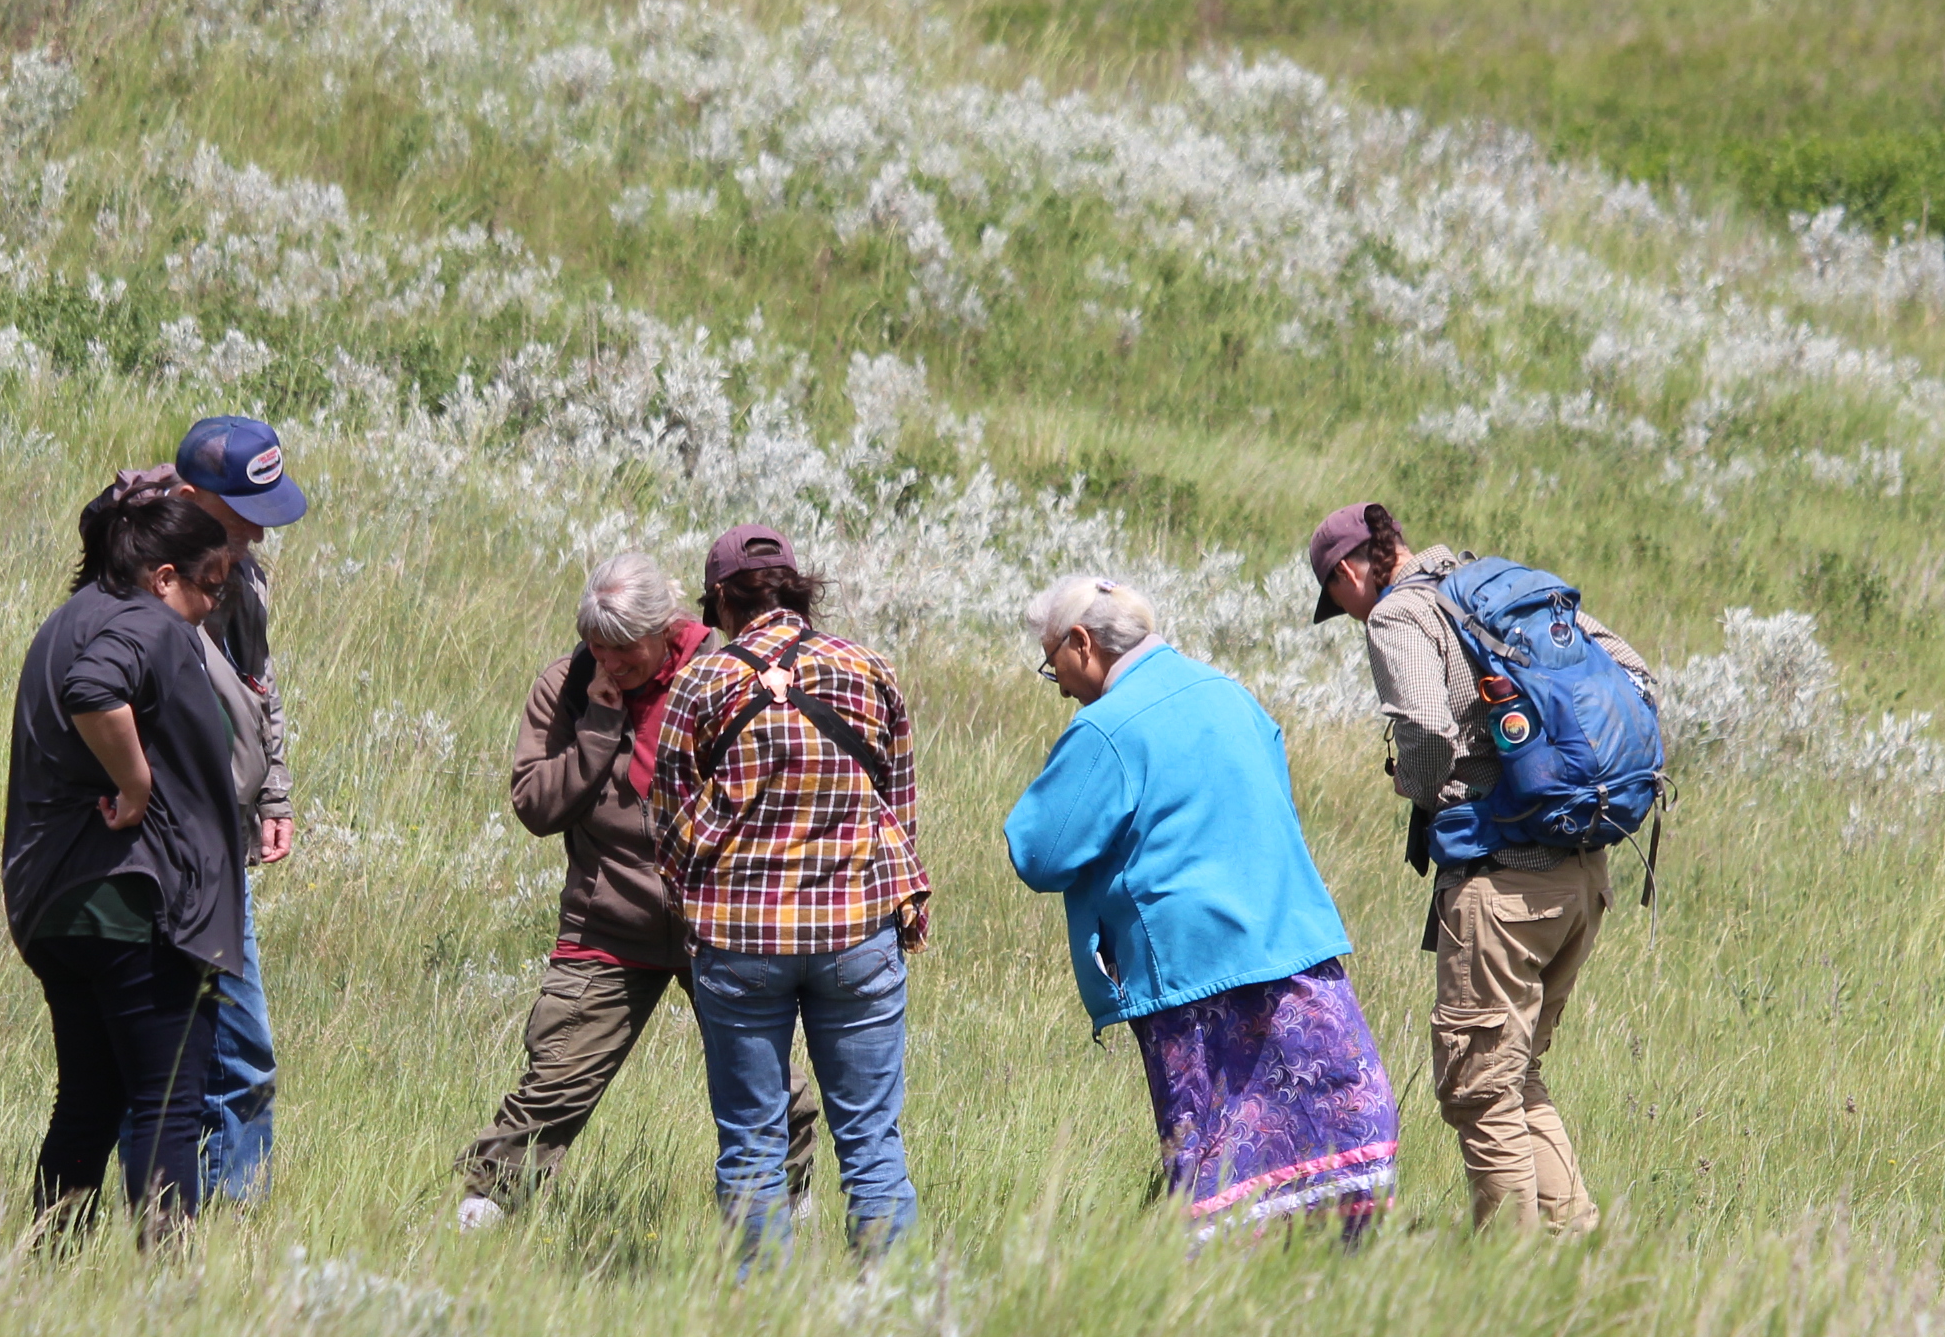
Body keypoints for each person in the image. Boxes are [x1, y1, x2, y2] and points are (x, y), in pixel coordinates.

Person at [1003, 574, 1399, 1245]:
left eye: (1054, 664)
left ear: (1081, 642)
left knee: (1219, 1166)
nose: (1062, 684)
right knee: (1333, 1136)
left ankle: (1229, 1308)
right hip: (1292, 945)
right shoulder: (1229, 692)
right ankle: (1337, 1280)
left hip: (1192, 972)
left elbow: (1038, 852)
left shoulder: (1105, 727)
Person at [1308, 500, 1653, 1236]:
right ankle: (1572, 1255)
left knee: (1478, 1090)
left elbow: (1427, 729)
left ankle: (1508, 1281)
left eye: (1335, 603)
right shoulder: (1498, 586)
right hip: (1584, 873)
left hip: (1503, 887)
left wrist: (1418, 782)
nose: (1346, 618)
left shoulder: (1399, 617)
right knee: (1517, 1074)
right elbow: (1637, 675)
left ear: (1347, 574)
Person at [450, 552, 822, 1229]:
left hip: (720, 925)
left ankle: (785, 1222)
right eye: (600, 650)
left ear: (667, 627)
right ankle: (477, 1223)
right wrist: (596, 731)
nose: (611, 666)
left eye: (626, 653)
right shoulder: (567, 686)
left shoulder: (723, 672)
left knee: (777, 1091)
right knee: (553, 1086)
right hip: (610, 924)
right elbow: (534, 805)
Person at [652, 523, 928, 1267]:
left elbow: (669, 819)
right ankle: (890, 1305)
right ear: (798, 586)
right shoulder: (869, 668)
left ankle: (762, 1319)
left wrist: (695, 903)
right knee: (871, 1140)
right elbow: (898, 809)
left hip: (740, 941)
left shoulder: (702, 683)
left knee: (751, 1144)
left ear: (718, 599)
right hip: (857, 935)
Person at [2, 480, 248, 1244]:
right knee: (171, 1101)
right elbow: (94, 688)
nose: (212, 606)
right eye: (209, 586)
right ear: (163, 575)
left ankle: (45, 1271)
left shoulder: (68, 618)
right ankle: (165, 1304)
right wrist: (135, 785)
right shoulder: (146, 622)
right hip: (133, 902)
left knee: (88, 1102)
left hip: (54, 903)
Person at [167, 414, 305, 1205]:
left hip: (228, 840)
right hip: (174, 851)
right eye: (240, 515)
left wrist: (274, 792)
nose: (256, 532)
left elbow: (261, 686)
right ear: (190, 498)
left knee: (233, 1050)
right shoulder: (143, 586)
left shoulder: (244, 575)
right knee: (209, 1051)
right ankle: (194, 1215)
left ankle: (226, 1219)